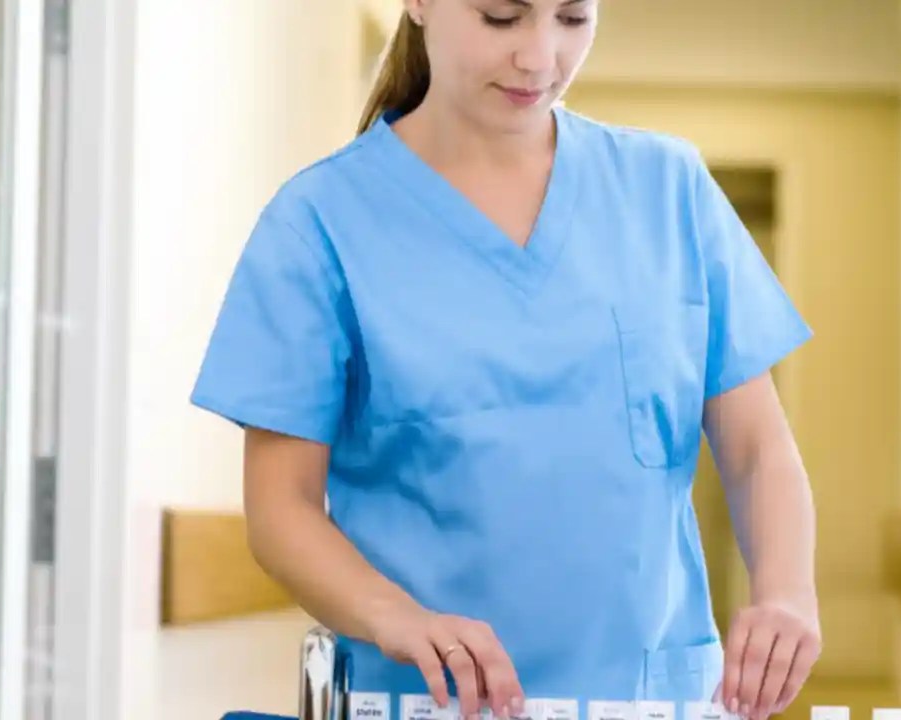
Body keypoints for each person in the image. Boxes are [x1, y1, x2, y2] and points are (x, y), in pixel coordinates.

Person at [190, 1, 820, 719]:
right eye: (502, 17)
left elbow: (757, 450)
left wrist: (787, 593)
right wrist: (393, 615)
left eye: (573, 18)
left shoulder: (668, 190)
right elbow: (281, 509)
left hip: (653, 697)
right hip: (429, 700)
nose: (540, 57)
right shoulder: (319, 222)